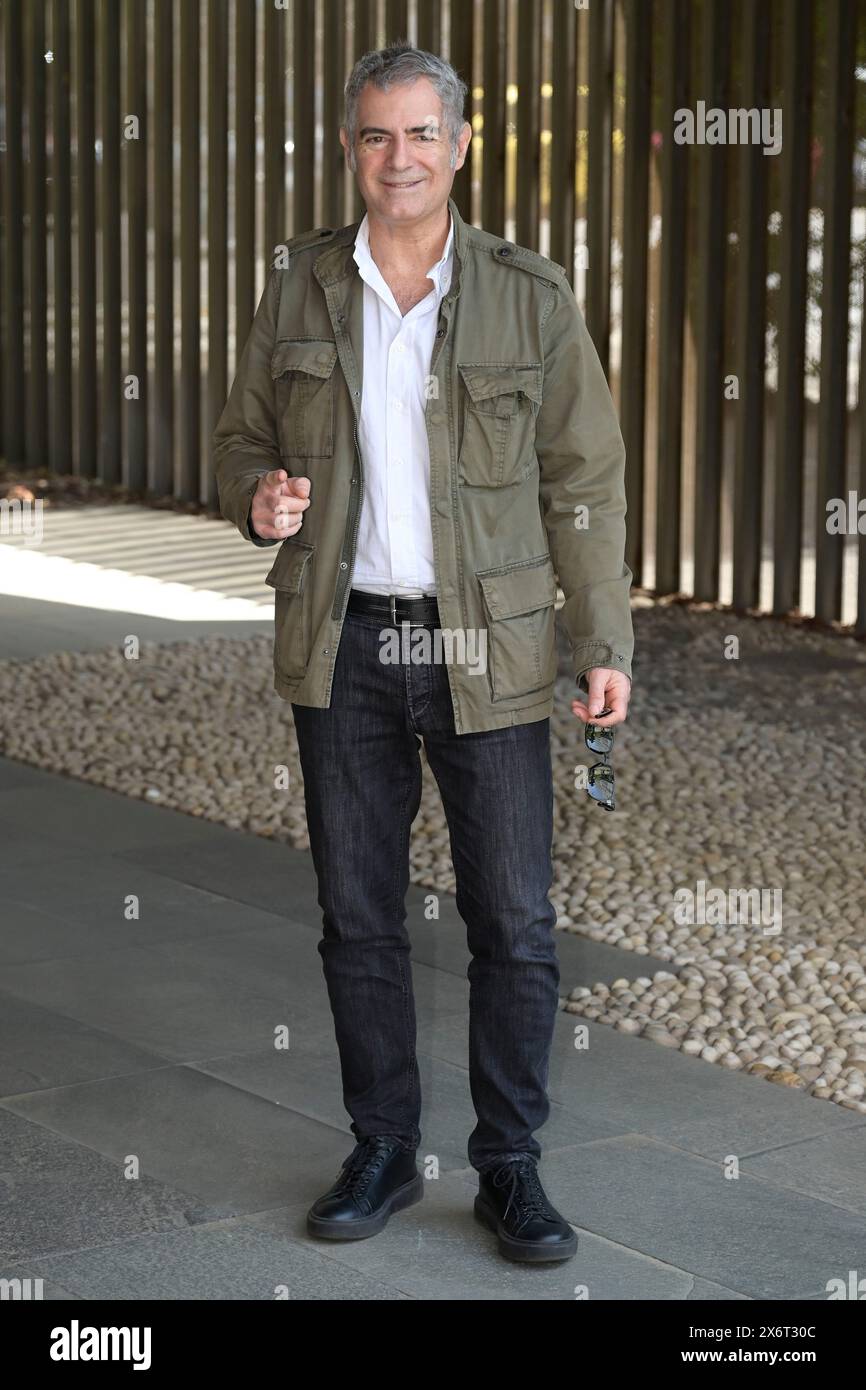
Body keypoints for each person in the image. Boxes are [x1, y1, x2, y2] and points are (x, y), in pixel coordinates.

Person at [213, 41, 633, 1264]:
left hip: (485, 645)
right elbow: (238, 438)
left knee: (514, 919)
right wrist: (256, 499)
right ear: (350, 147)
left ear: (459, 144)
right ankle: (383, 1147)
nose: (396, 157)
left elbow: (583, 481)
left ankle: (509, 1167)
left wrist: (599, 639)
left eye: (418, 134)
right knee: (357, 915)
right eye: (374, 135)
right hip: (342, 637)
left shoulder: (527, 295)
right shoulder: (300, 285)